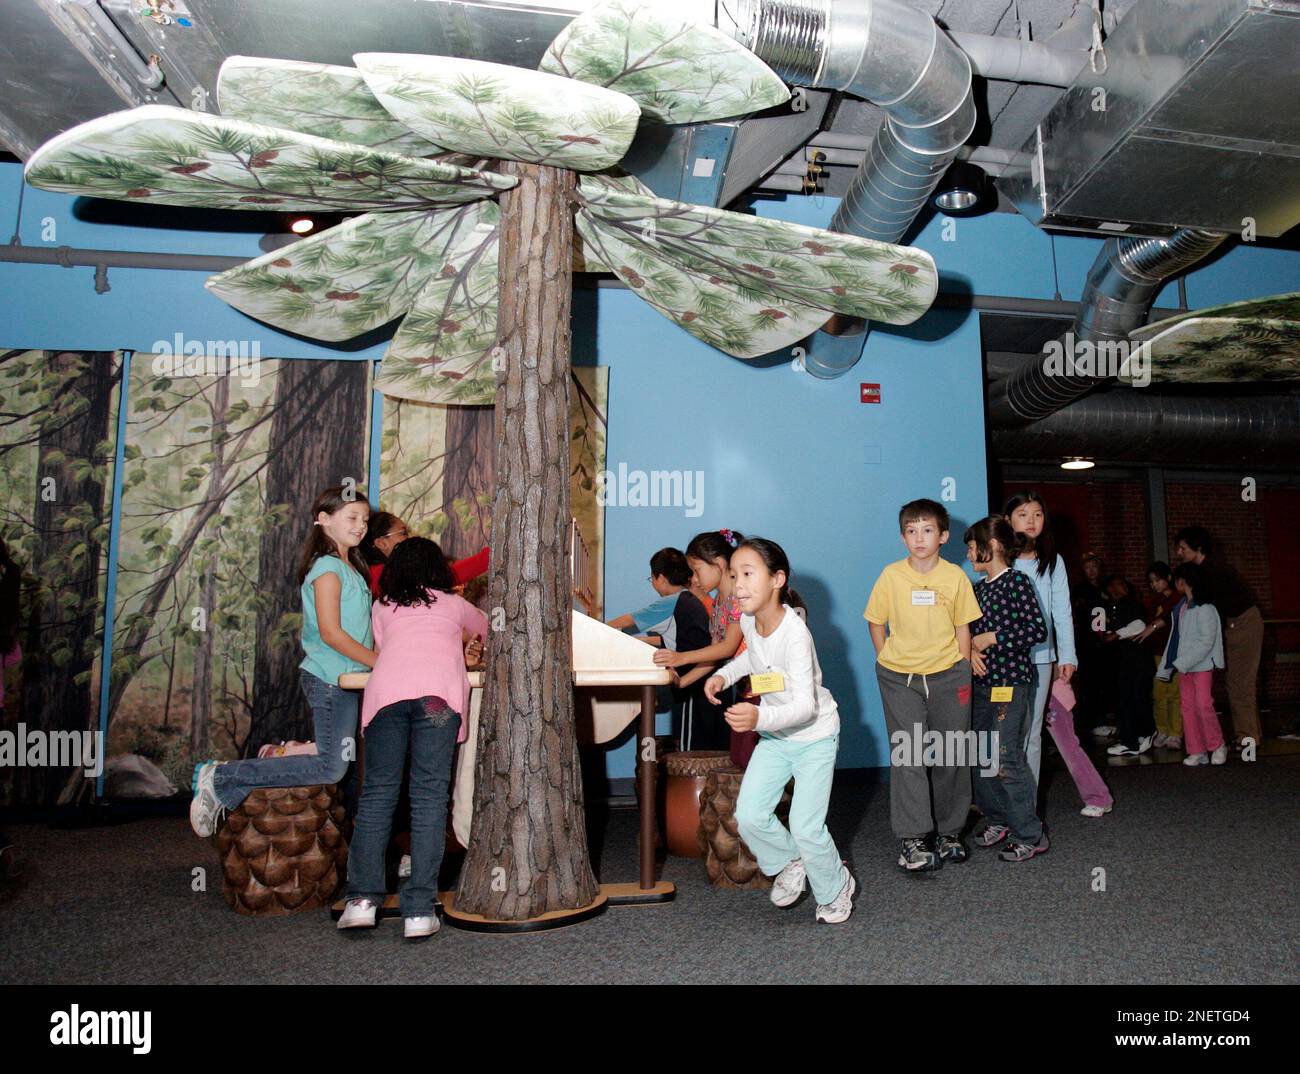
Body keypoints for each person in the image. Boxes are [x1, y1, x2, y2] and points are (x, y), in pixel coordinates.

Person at [189, 487, 376, 837]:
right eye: (351, 517)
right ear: (323, 519)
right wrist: (381, 663)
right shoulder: (327, 568)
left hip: (350, 679)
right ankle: (222, 776)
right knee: (331, 767)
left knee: (335, 759)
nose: (361, 526)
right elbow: (332, 634)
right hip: (329, 678)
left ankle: (269, 758)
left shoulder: (352, 568)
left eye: (364, 519)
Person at [336, 537, 488, 939]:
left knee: (377, 796)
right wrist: (467, 649)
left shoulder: (382, 606)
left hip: (386, 698)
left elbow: (390, 648)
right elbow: (486, 631)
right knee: (429, 798)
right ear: (440, 570)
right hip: (436, 701)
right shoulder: (455, 605)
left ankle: (360, 902)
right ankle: (418, 909)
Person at [704, 537, 854, 923]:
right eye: (734, 575)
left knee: (806, 825)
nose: (738, 584)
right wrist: (723, 675)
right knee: (750, 815)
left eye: (748, 574)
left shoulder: (796, 635)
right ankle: (791, 862)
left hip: (814, 737)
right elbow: (753, 661)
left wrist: (758, 720)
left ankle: (836, 888)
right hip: (776, 738)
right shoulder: (749, 621)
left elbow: (805, 707)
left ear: (777, 579)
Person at [865, 499, 980, 871]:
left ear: (943, 536)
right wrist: (887, 659)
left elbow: (964, 626)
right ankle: (914, 839)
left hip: (950, 674)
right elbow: (876, 622)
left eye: (927, 529)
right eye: (911, 531)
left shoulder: (955, 577)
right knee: (909, 755)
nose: (919, 537)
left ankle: (950, 833)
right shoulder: (891, 576)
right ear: (902, 537)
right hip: (901, 679)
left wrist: (962, 667)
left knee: (951, 752)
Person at [964, 516, 1049, 861]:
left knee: (1005, 758)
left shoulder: (1018, 582)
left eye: (972, 546)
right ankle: (998, 818)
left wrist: (993, 638)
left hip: (1012, 684)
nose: (969, 554)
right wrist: (970, 649)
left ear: (993, 546)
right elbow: (965, 632)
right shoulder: (977, 589)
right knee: (980, 757)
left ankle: (1030, 832)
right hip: (983, 686)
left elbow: (1036, 631)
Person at [1003, 492, 1077, 785]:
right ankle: (1002, 803)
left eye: (1037, 514)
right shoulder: (999, 559)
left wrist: (1067, 656)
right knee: (1007, 731)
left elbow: (1062, 611)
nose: (1031, 521)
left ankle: (1027, 809)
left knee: (1033, 732)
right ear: (1008, 520)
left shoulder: (1052, 561)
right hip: (1005, 659)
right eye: (1023, 514)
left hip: (1042, 657)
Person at [607, 547, 713, 750]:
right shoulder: (689, 600)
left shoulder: (669, 603)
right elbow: (674, 636)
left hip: (692, 683)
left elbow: (627, 620)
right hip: (702, 679)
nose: (653, 584)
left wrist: (599, 629)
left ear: (661, 578)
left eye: (652, 578)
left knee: (690, 750)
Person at [653, 529, 747, 757]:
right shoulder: (717, 604)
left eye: (696, 571)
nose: (693, 580)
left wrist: (680, 658)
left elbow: (728, 647)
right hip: (742, 685)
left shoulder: (738, 597)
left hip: (760, 685)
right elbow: (714, 655)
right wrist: (681, 682)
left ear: (719, 564)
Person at [1174, 527, 1262, 750]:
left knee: (1240, 683)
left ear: (1198, 548)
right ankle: (1248, 734)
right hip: (1234, 623)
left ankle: (1248, 738)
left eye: (1182, 548)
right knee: (1236, 683)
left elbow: (1211, 608)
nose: (1179, 552)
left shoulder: (1212, 572)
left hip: (1242, 623)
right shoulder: (1206, 571)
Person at [1158, 562, 1227, 767]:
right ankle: (1197, 750)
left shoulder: (1205, 608)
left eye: (1178, 579)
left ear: (1185, 581)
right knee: (1187, 707)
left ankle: (1217, 745)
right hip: (1185, 666)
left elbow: (1207, 641)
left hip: (1201, 665)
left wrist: (1182, 661)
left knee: (1203, 705)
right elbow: (1178, 637)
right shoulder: (1183, 607)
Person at [361, 512, 488, 598]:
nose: (410, 538)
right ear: (382, 543)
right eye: (403, 533)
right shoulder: (382, 574)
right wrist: (489, 556)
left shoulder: (376, 572)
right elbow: (444, 576)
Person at [1101, 575, 1156, 757]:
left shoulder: (1131, 604)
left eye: (1118, 586)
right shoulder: (1114, 607)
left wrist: (1115, 634)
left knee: (1136, 698)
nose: (1114, 590)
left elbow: (1139, 624)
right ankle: (1132, 738)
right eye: (1111, 587)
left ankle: (1143, 734)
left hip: (1138, 661)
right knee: (1127, 699)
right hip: (1128, 661)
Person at [1141, 562, 1183, 750]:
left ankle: (1176, 733)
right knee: (1159, 694)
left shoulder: (1177, 598)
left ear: (1168, 578)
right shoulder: (1152, 601)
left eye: (1158, 580)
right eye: (1151, 582)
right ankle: (1162, 729)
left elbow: (1169, 620)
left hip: (1174, 653)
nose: (1155, 585)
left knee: (1175, 694)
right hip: (1158, 652)